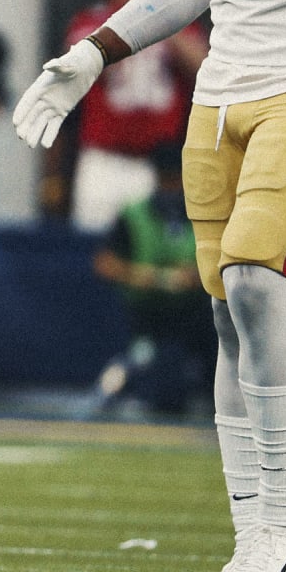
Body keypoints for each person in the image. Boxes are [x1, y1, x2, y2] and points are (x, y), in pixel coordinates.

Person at [12, 0, 286, 572]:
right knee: (228, 311)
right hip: (217, 96)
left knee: (257, 280)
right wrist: (93, 54)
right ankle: (251, 540)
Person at [41, 0, 207, 232]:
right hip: (103, 159)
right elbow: (74, 66)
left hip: (157, 164)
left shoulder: (177, 21)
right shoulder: (92, 20)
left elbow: (203, 66)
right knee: (94, 242)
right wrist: (126, 27)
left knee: (150, 247)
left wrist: (161, 20)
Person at [90, 145, 214, 420]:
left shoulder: (203, 212)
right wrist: (140, 275)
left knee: (220, 336)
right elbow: (103, 263)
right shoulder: (135, 212)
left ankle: (216, 403)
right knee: (143, 356)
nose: (170, 186)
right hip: (145, 310)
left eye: (175, 179)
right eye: (164, 179)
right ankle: (112, 393)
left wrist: (199, 274)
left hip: (192, 310)